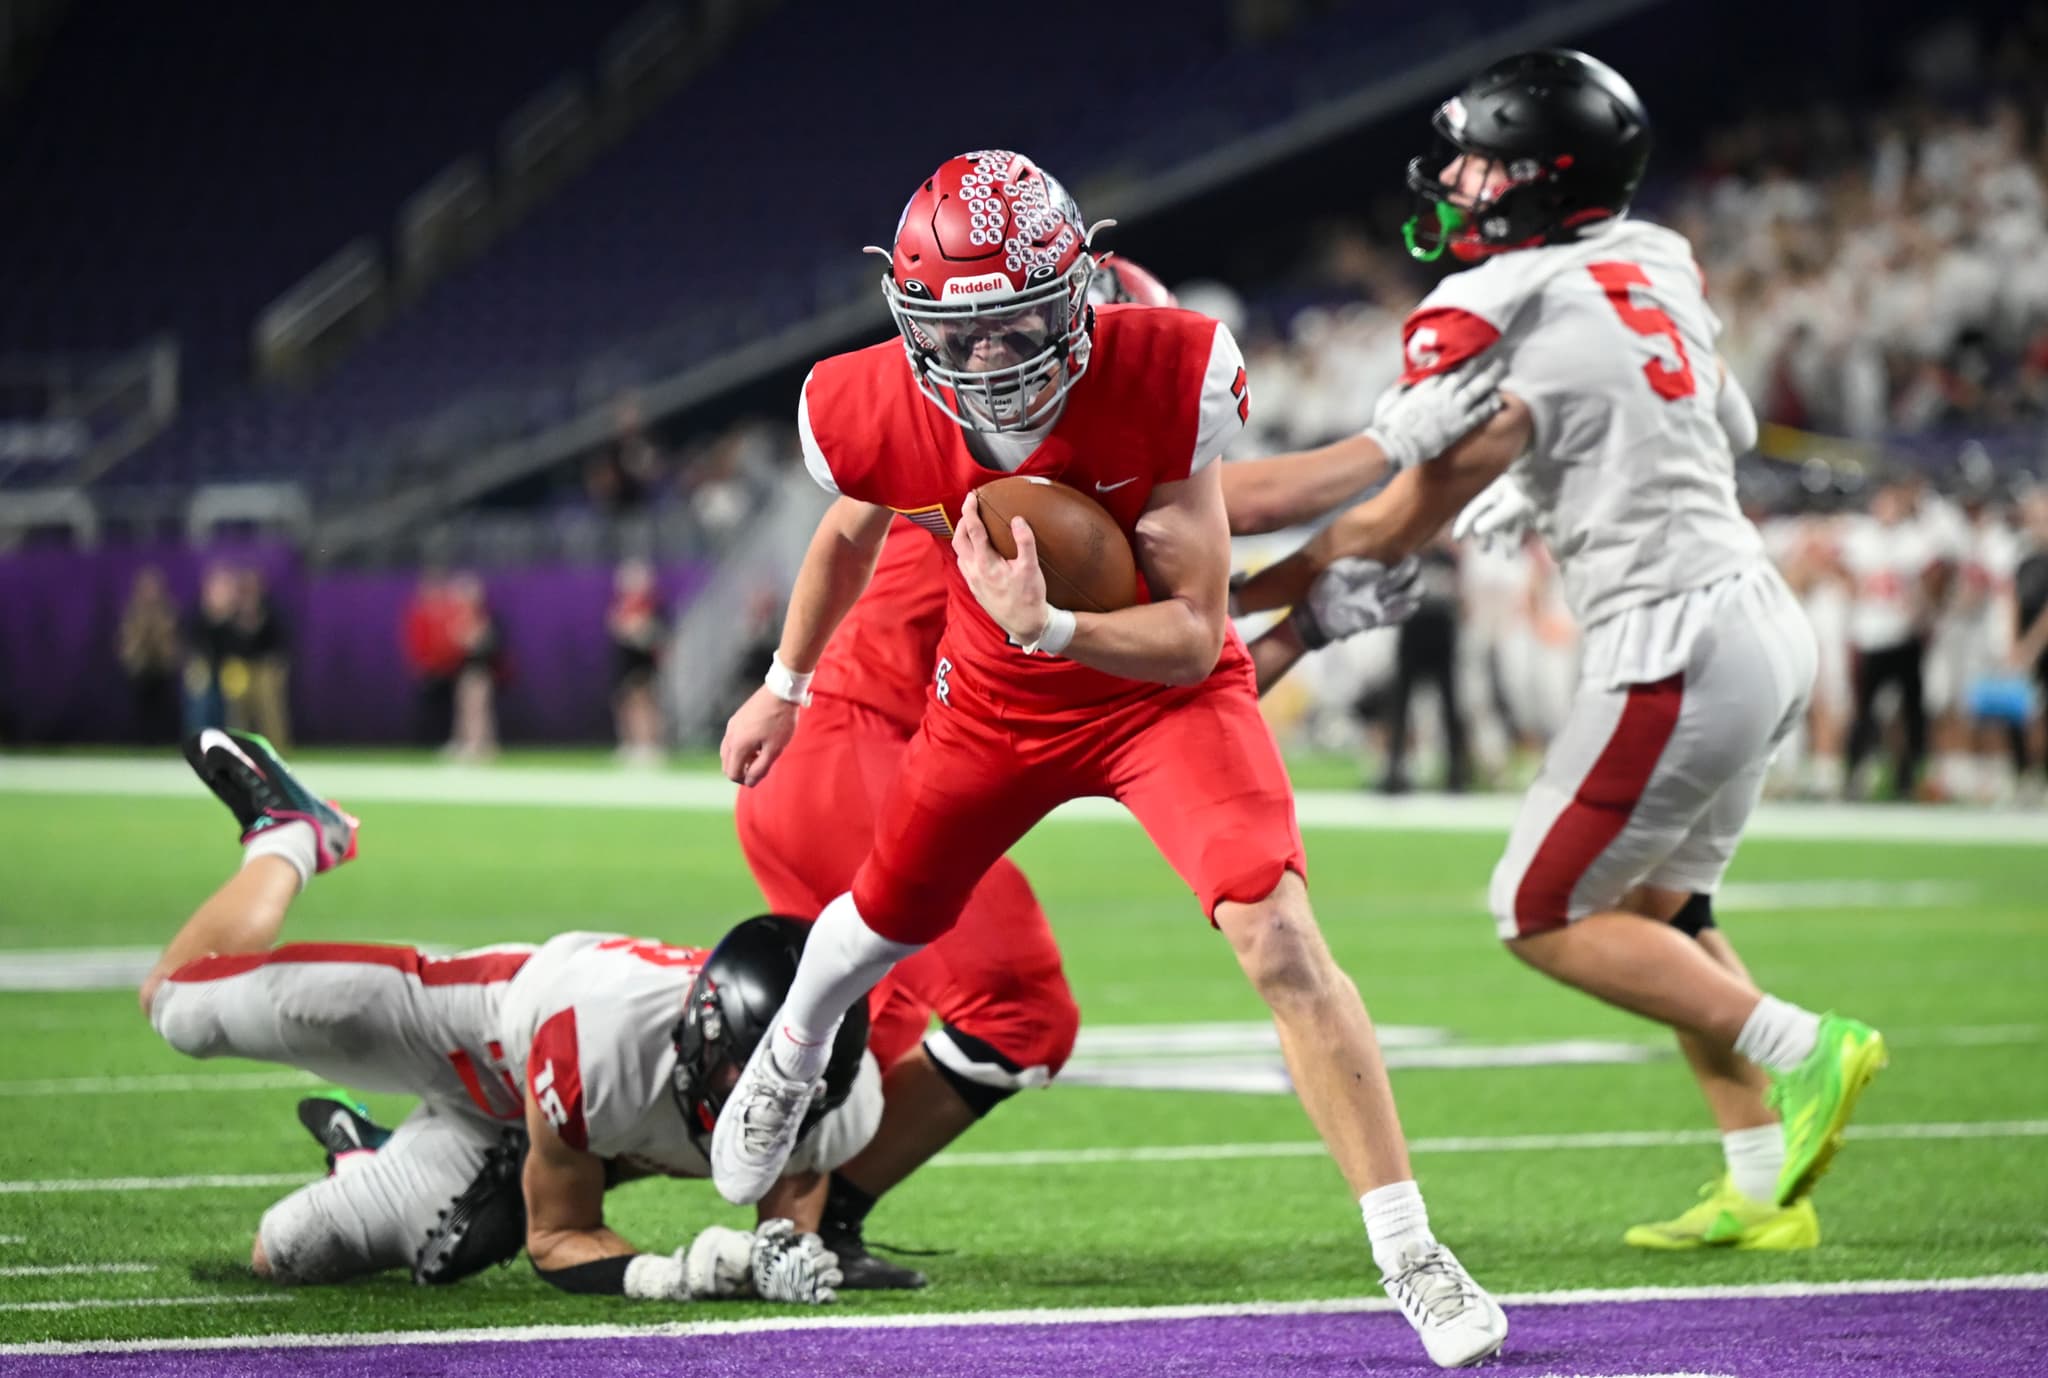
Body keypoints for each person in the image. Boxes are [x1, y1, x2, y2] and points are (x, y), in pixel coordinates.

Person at [714, 150, 1507, 1367]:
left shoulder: (1162, 376)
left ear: (1085, 299)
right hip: (982, 703)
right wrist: (785, 683)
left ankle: (1409, 1248)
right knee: (877, 924)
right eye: (961, 333)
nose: (993, 359)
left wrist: (1070, 625)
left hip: (1145, 692)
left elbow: (1189, 635)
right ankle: (788, 1057)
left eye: (1020, 323)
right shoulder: (875, 406)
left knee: (1279, 936)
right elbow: (843, 534)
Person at [1236, 50, 1887, 1253]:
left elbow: (1392, 520)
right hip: (1756, 617)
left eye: (1480, 162)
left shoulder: (1494, 306)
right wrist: (1554, 469)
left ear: (1539, 179)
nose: (1456, 180)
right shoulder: (1650, 257)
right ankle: (1760, 1184)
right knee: (1659, 908)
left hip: (1671, 639)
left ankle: (1803, 1045)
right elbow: (1728, 420)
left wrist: (1251, 596)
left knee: (1535, 909)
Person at [139, 729, 865, 1303]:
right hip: (468, 1026)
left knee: (285, 1249)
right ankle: (293, 834)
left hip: (528, 1131)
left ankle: (367, 1153)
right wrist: (676, 1274)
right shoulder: (601, 1039)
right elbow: (558, 1235)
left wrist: (768, 1260)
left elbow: (779, 1238)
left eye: (798, 1087)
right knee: (178, 1007)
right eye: (752, 1071)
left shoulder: (835, 1104)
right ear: (702, 1029)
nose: (766, 1101)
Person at [608, 559, 668, 767]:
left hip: (643, 662)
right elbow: (615, 628)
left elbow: (657, 635)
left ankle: (650, 744)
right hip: (625, 661)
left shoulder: (653, 606)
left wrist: (639, 630)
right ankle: (631, 742)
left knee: (645, 703)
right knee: (625, 704)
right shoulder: (622, 607)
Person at [118, 566, 183, 745]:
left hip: (162, 671)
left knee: (162, 712)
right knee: (140, 713)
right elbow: (127, 646)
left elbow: (172, 646)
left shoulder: (168, 612)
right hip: (140, 672)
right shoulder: (133, 613)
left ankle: (163, 741)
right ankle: (139, 742)